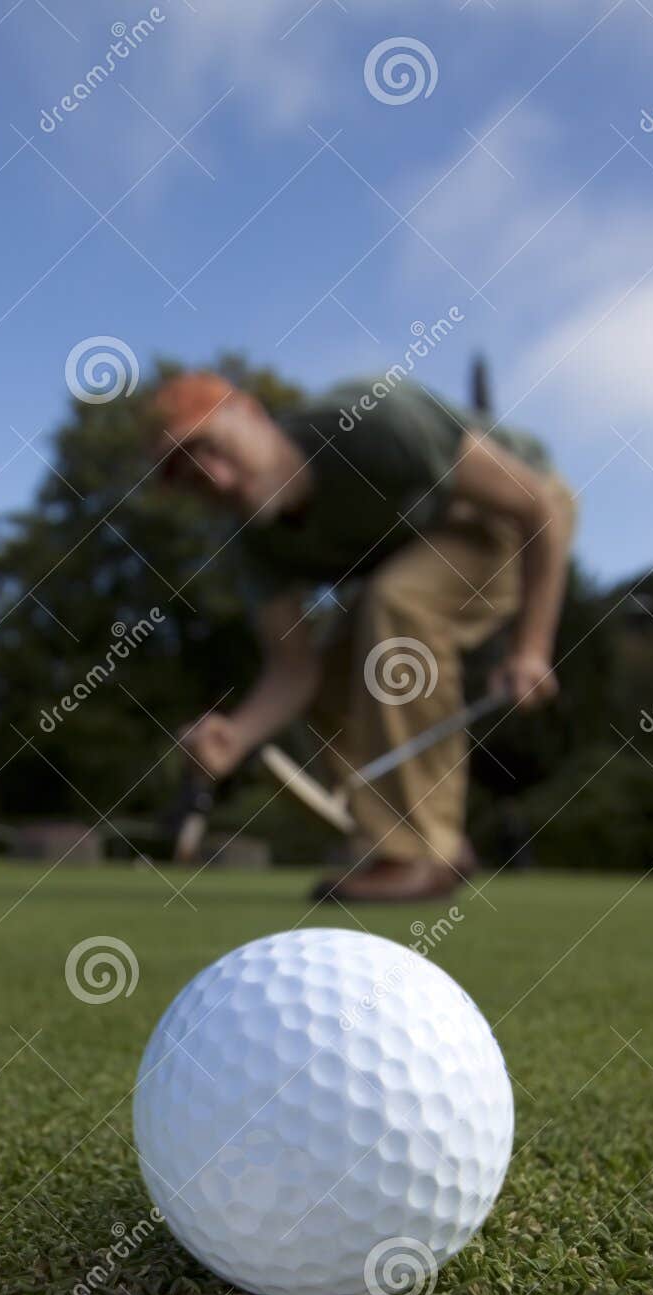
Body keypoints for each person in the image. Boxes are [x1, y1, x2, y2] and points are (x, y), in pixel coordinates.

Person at [148, 370, 576, 903]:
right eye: (189, 478)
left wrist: (531, 649)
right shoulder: (254, 545)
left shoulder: (371, 423)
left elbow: (538, 509)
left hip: (514, 518)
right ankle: (415, 838)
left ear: (251, 413)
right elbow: (293, 670)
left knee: (397, 602)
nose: (214, 479)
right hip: (422, 548)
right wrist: (235, 736)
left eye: (208, 447)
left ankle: (420, 848)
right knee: (332, 677)